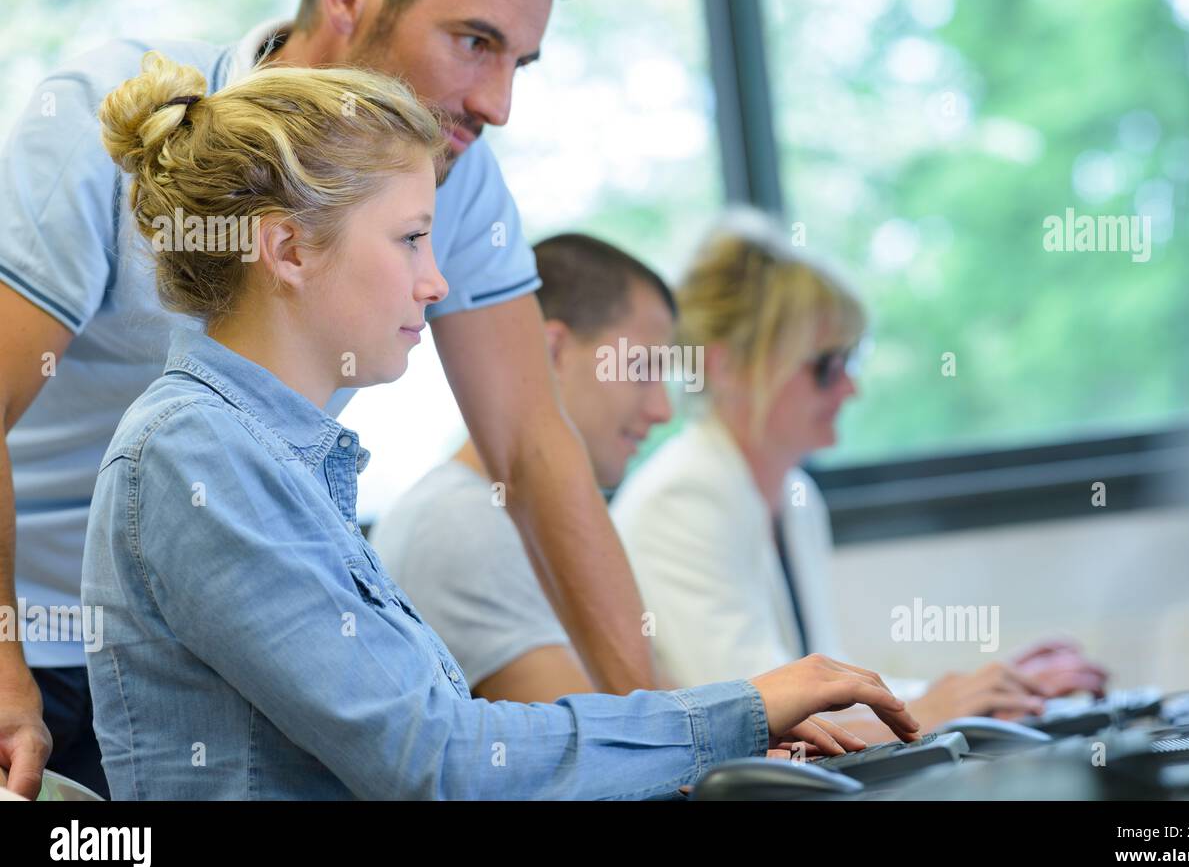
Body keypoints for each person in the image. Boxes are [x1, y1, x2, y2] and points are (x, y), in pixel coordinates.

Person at [82, 52, 916, 799]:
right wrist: (741, 713)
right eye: (410, 239)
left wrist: (735, 727)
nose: (436, 283)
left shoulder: (264, 454)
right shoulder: (195, 455)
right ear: (289, 251)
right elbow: (437, 759)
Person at [0, 0, 660, 800]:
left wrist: (668, 735)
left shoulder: (453, 174)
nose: (498, 104)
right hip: (34, 633)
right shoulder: (101, 124)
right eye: (475, 42)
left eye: (521, 65)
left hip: (225, 616)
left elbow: (536, 447)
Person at [611, 210, 1109, 740]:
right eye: (827, 365)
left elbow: (828, 685)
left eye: (852, 361)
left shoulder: (795, 496)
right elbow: (765, 722)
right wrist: (946, 708)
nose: (850, 389)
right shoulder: (683, 500)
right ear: (727, 366)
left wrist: (985, 693)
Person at [372, 233, 676, 703]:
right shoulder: (462, 523)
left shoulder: (508, 515)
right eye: (642, 369)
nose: (663, 409)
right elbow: (613, 758)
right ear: (553, 351)